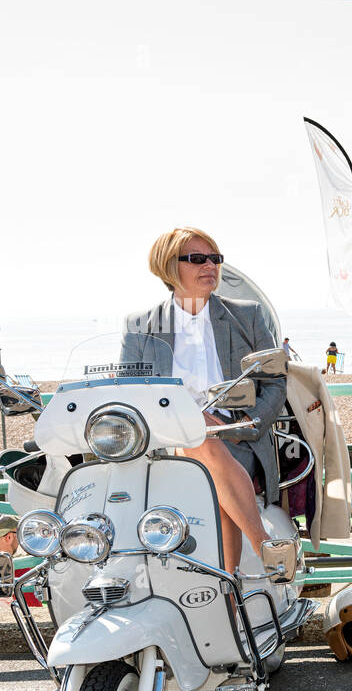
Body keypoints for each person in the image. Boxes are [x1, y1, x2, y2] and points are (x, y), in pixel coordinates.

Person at [126, 227, 294, 577]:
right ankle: (263, 547)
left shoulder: (246, 315)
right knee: (201, 439)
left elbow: (275, 383)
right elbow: (132, 392)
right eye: (198, 259)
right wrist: (191, 418)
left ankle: (227, 591)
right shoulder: (140, 325)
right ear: (168, 266)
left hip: (237, 437)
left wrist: (249, 424)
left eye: (215, 259)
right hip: (167, 440)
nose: (210, 266)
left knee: (211, 468)